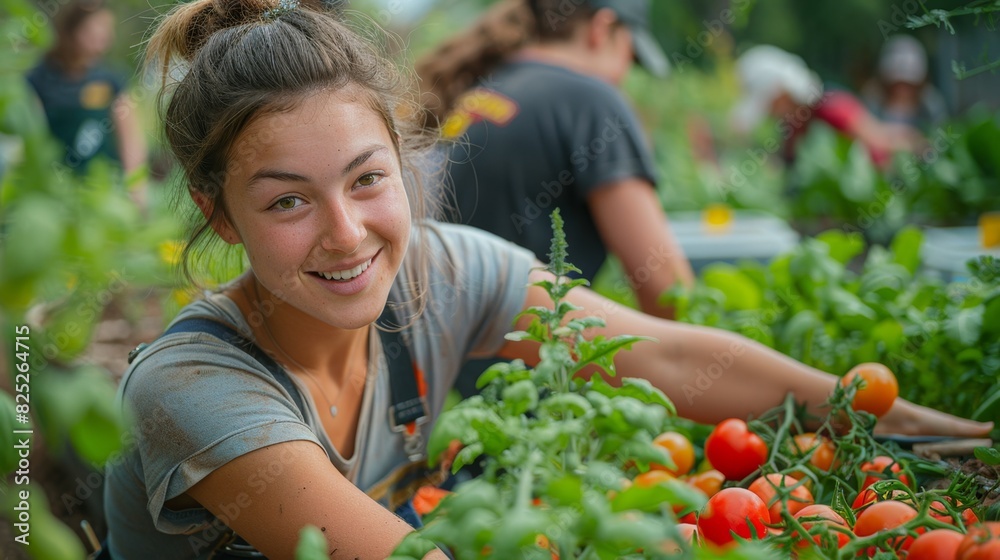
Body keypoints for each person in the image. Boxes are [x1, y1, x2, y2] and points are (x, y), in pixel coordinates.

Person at [102, 2, 991, 559]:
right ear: (221, 216)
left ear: (401, 164)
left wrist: (918, 426)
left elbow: (672, 358)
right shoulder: (195, 386)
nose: (347, 233)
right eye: (288, 201)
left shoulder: (437, 271)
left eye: (367, 179)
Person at [418, 0, 695, 321]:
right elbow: (668, 290)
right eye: (630, 57)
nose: (624, 76)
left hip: (446, 343)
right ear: (602, 29)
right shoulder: (591, 102)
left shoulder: (483, 89)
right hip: (531, 349)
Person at [731, 45, 927, 168]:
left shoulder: (832, 109)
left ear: (783, 94)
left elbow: (881, 141)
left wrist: (918, 146)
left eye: (770, 105)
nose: (770, 114)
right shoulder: (794, 126)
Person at [25, 0, 147, 184]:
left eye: (107, 31)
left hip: (103, 183)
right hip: (54, 182)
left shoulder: (111, 80)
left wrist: (136, 184)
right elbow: (31, 138)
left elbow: (130, 139)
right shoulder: (38, 80)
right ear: (71, 31)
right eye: (95, 31)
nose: (102, 39)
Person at [861, 34, 948, 131]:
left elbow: (940, 132)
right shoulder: (872, 101)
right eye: (897, 84)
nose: (902, 90)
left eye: (909, 85)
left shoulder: (931, 105)